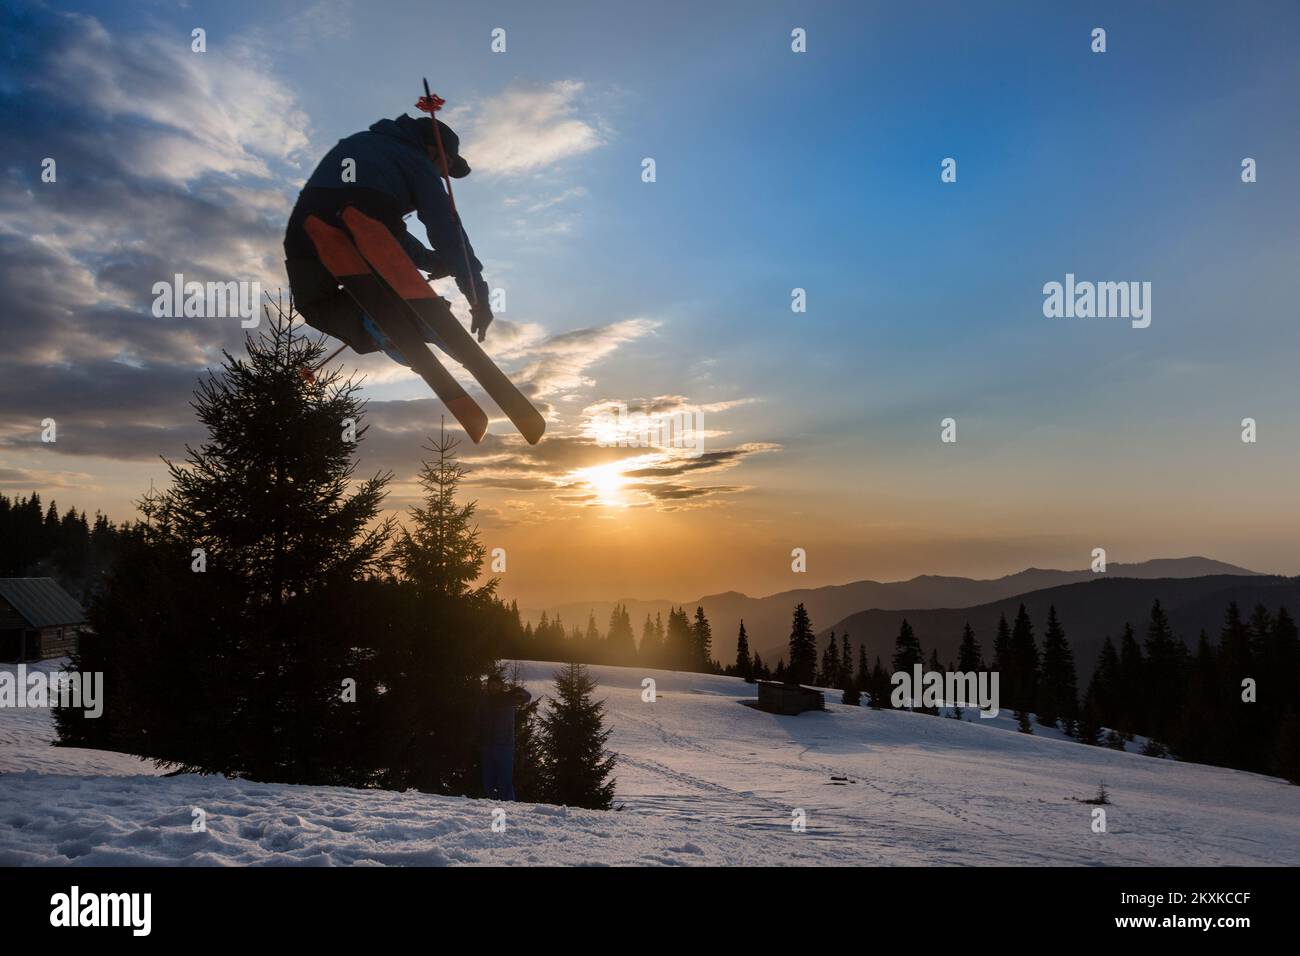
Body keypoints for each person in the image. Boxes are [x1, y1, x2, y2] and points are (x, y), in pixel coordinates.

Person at [282, 112, 493, 365]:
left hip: (304, 230)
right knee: (382, 268)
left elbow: (387, 236)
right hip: (368, 218)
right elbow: (445, 229)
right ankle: (419, 319)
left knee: (316, 305)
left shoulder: (359, 141)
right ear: (434, 150)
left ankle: (376, 324)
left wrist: (432, 263)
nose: (443, 176)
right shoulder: (417, 160)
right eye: (445, 167)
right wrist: (477, 294)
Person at [479, 673, 531, 801]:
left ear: (501, 685)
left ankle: (509, 808)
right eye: (492, 684)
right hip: (487, 745)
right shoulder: (484, 700)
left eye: (497, 684)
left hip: (504, 745)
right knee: (488, 782)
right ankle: (494, 805)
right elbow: (478, 719)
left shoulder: (508, 698)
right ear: (488, 686)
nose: (494, 686)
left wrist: (520, 691)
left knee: (504, 782)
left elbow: (526, 697)